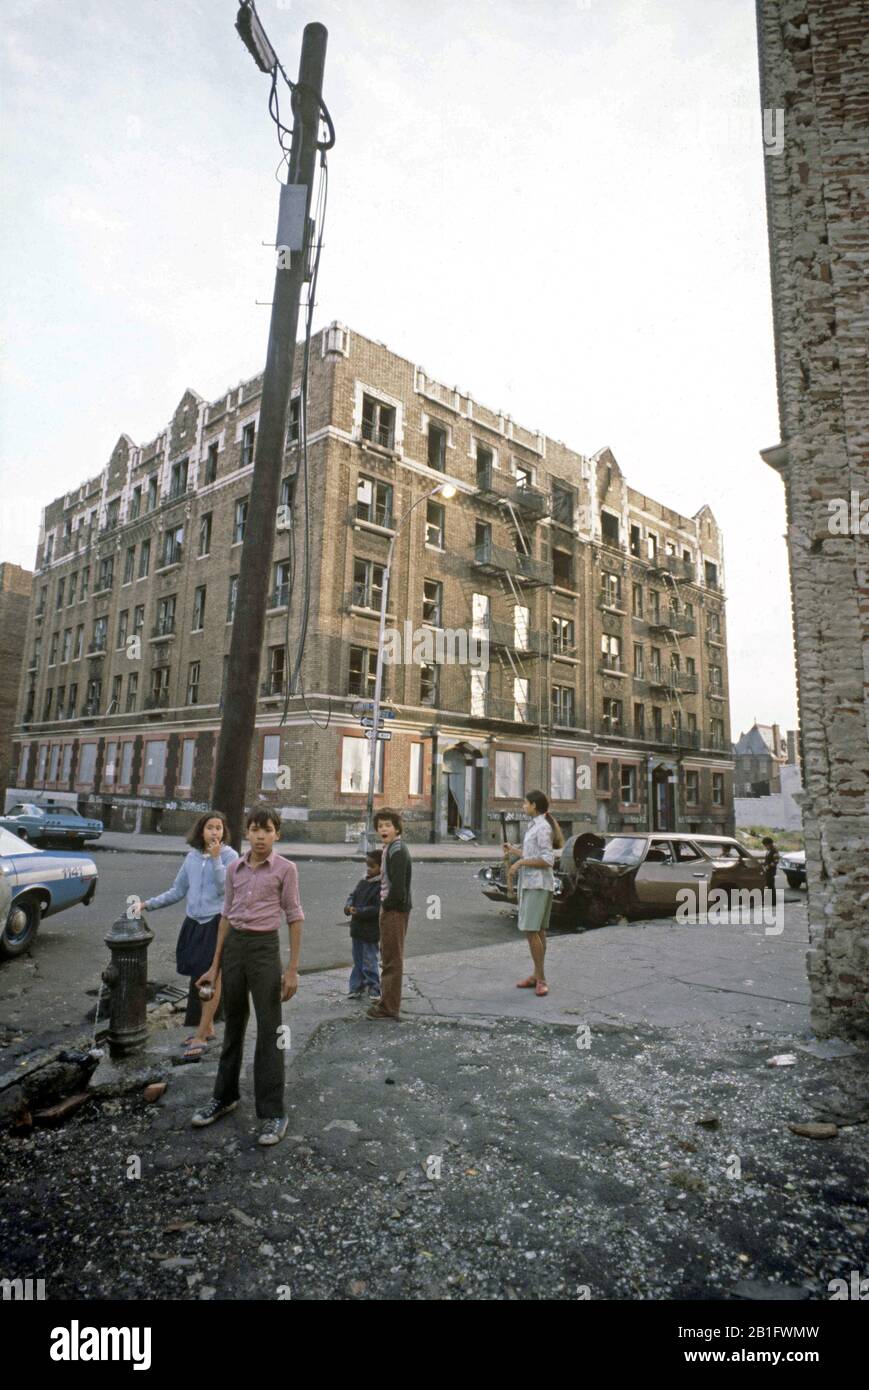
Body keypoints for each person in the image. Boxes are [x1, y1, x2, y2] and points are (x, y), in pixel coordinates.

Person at [192, 804, 303, 1147]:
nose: (259, 836)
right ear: (246, 833)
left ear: (276, 834)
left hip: (264, 949)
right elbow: (225, 916)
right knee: (233, 1025)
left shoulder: (286, 869)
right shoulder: (234, 869)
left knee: (270, 1029)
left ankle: (273, 1113)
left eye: (266, 830)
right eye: (254, 829)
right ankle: (224, 1097)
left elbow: (294, 917)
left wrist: (292, 969)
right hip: (234, 949)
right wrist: (215, 965)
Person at [134, 811, 238, 1059]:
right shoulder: (191, 857)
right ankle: (209, 1027)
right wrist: (147, 904)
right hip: (193, 923)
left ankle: (201, 1036)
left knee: (211, 979)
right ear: (201, 830)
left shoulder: (230, 856)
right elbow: (177, 890)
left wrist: (216, 860)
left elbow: (228, 889)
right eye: (210, 827)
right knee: (197, 979)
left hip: (216, 922)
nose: (215, 832)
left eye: (219, 828)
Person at [504, 789, 564, 997]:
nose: (523, 806)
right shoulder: (534, 826)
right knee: (537, 931)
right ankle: (536, 976)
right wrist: (514, 851)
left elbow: (548, 860)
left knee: (532, 931)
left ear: (534, 806)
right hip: (532, 884)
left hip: (538, 885)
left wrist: (519, 863)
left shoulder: (542, 829)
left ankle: (541, 978)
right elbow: (533, 854)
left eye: (525, 803)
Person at [366, 809, 412, 1021]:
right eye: (380, 826)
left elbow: (399, 888)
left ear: (397, 828)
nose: (383, 829)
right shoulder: (390, 848)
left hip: (395, 910)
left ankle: (389, 1007)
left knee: (392, 959)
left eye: (388, 825)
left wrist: (387, 906)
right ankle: (387, 1000)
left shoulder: (397, 850)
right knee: (388, 955)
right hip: (391, 908)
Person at [344, 850, 382, 1000]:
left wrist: (358, 911)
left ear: (381, 867)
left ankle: (374, 987)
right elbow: (352, 896)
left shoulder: (380, 886)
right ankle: (356, 987)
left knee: (369, 961)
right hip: (357, 929)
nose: (368, 869)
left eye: (372, 866)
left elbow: (377, 909)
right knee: (358, 960)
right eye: (367, 866)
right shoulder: (363, 882)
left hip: (370, 931)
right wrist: (348, 907)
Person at [762, 836, 780, 910]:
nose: (765, 846)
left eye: (766, 845)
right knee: (768, 886)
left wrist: (768, 866)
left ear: (769, 844)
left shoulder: (774, 851)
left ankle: (772, 902)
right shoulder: (769, 850)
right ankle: (770, 901)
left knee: (771, 886)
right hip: (767, 871)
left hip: (771, 871)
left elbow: (776, 861)